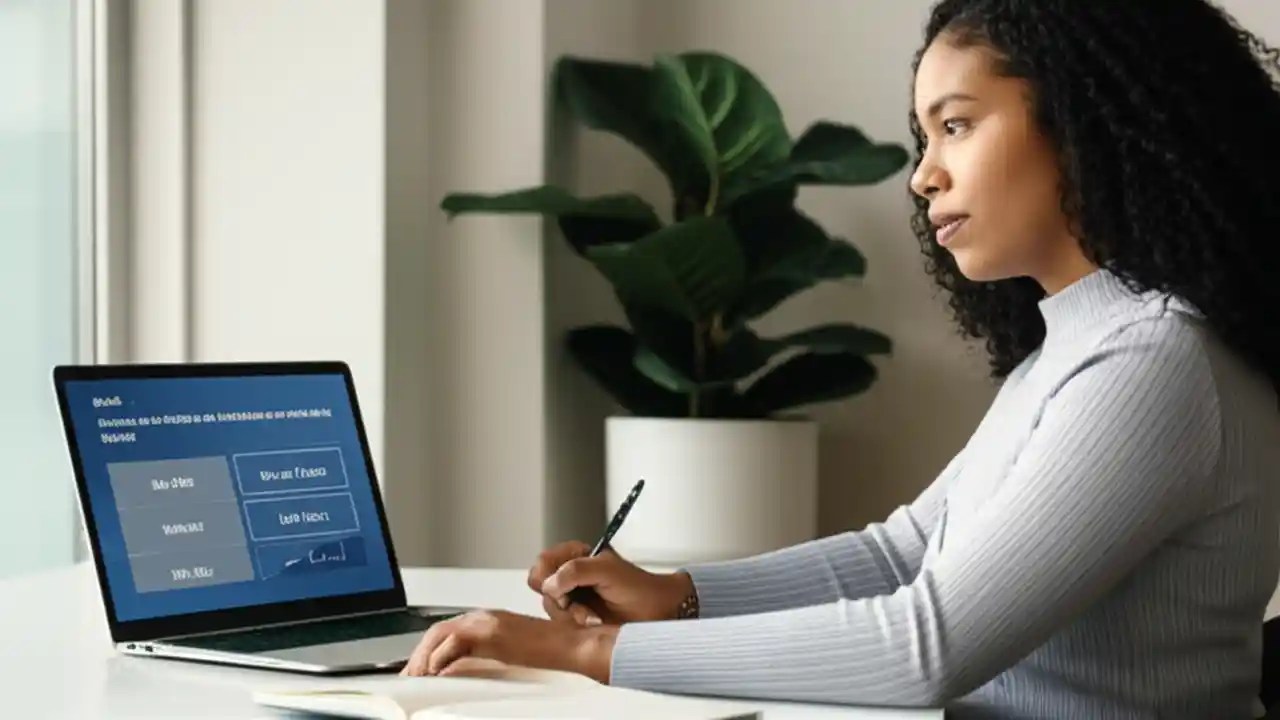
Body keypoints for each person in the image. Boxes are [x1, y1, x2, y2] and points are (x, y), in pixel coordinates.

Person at [402, 0, 1280, 715]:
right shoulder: (1082, 348)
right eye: (924, 138)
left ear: (1086, 122)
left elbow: (926, 646)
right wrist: (676, 595)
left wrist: (587, 651)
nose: (923, 175)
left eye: (958, 126)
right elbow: (903, 554)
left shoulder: (1154, 364)